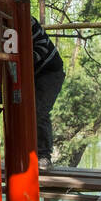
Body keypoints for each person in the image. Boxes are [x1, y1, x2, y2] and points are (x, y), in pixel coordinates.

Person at [31, 18, 65, 169]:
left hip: (49, 71)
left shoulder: (26, 20)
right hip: (31, 72)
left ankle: (44, 156)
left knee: (39, 110)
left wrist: (21, 62)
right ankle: (28, 152)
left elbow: (42, 47)